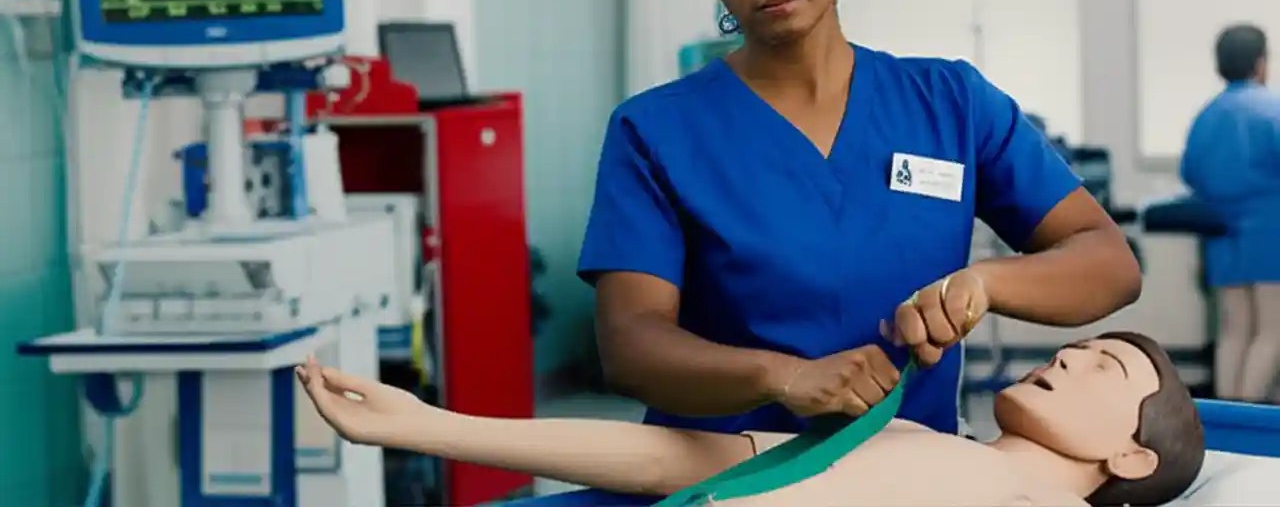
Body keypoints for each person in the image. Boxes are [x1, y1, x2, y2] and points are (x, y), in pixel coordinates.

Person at [577, 0, 1141, 438]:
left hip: (911, 475)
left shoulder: (950, 103)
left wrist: (986, 282)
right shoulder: (654, 132)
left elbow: (1108, 262)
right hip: (729, 481)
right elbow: (631, 343)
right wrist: (781, 377)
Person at [296, 331, 1204, 507]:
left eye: (1105, 368)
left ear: (1129, 459)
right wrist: (426, 425)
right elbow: (671, 459)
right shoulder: (903, 437)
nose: (1066, 357)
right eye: (1074, 347)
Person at [1181, 23, 1280, 403]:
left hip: (1222, 234)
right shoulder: (1270, 110)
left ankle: (1224, 423)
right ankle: (1247, 418)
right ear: (1261, 63)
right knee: (1271, 330)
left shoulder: (1207, 116)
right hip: (1270, 231)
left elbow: (1190, 172)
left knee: (1233, 331)